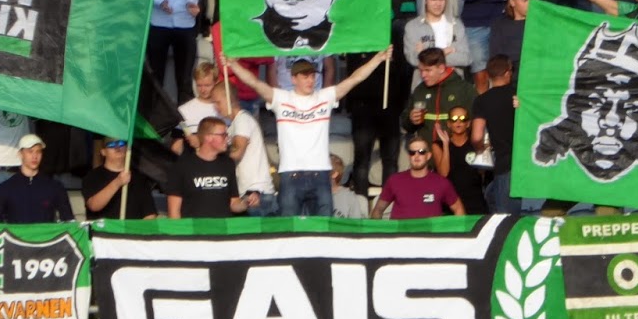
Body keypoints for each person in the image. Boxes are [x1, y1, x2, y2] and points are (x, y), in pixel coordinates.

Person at [223, 47, 391, 216]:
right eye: (305, 76)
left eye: (312, 75)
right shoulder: (282, 99)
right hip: (291, 175)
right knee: (290, 230)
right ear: (293, 78)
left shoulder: (324, 97)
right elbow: (255, 83)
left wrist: (378, 58)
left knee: (324, 230)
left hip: (320, 175)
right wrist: (233, 64)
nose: (310, 80)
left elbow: (355, 79)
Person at [168, 116, 253, 218]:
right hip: (195, 230)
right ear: (208, 137)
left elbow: (233, 203)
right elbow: (174, 211)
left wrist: (246, 202)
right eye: (223, 135)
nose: (228, 138)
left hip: (222, 229)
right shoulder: (182, 166)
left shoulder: (227, 164)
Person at [373, 134, 464, 218]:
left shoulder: (441, 182)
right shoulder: (394, 180)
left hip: (430, 235)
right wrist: (377, 234)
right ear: (409, 156)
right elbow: (377, 210)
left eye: (421, 152)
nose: (416, 156)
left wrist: (458, 233)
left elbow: (459, 209)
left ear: (428, 156)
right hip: (402, 235)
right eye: (412, 152)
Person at [404, 46, 476, 142]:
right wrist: (411, 120)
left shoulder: (465, 90)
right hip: (427, 154)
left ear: (441, 68)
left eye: (428, 70)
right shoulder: (419, 90)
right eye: (421, 70)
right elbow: (406, 124)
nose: (423, 75)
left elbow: (476, 123)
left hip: (455, 152)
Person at [84, 138, 158, 219]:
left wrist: (139, 230)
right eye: (111, 145)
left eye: (121, 143)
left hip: (131, 230)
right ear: (103, 152)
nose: (117, 148)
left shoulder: (139, 178)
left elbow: (150, 214)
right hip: (102, 230)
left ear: (127, 148)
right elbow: (94, 206)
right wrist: (117, 182)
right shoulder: (93, 176)